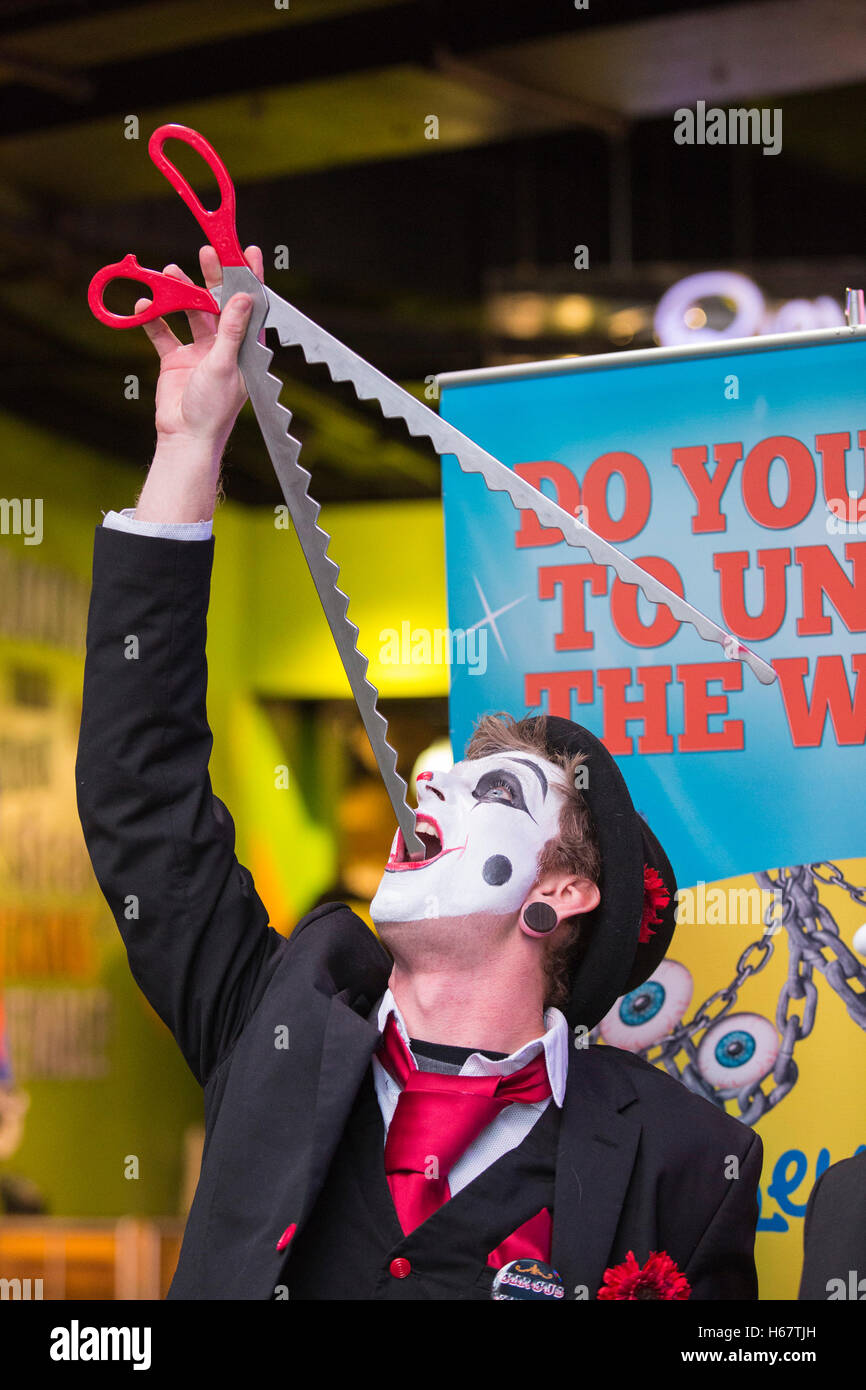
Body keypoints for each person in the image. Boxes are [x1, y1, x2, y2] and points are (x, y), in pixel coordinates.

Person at [75, 246, 763, 1300]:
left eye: (496, 790)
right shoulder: (272, 1019)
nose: (430, 786)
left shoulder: (682, 1158)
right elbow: (141, 793)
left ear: (560, 893)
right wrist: (188, 443)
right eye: (446, 776)